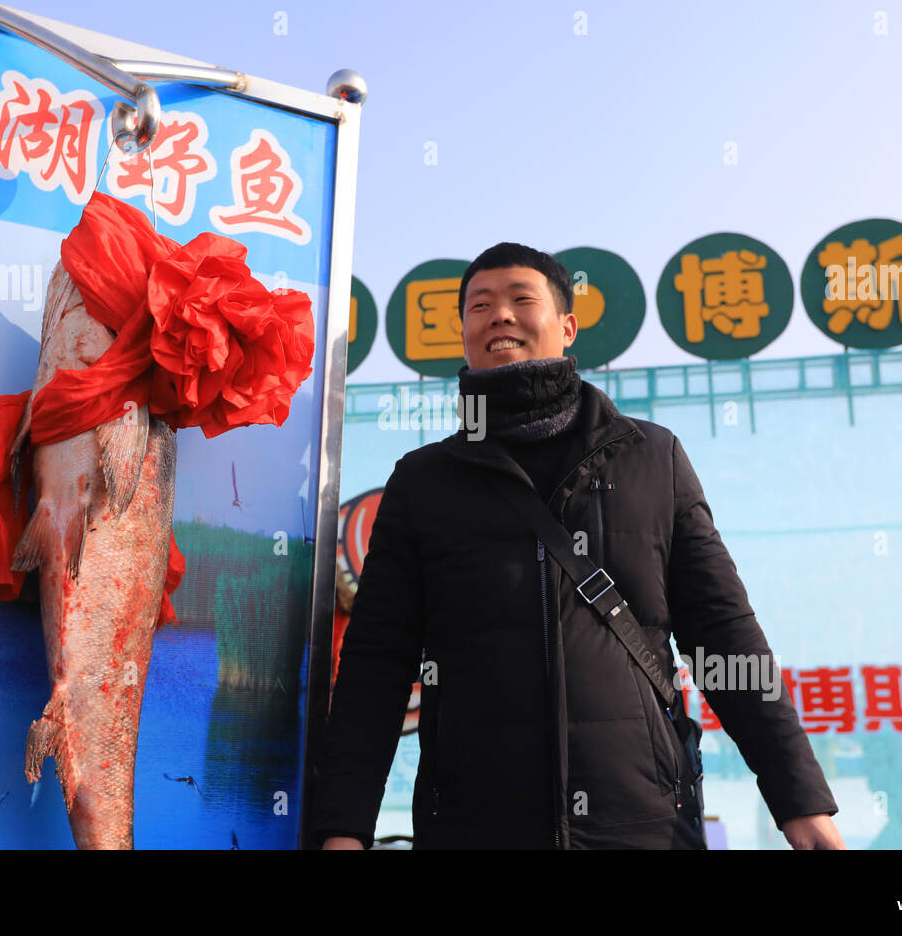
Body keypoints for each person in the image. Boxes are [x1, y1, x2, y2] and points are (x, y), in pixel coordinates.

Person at [309, 243, 844, 849]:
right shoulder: (425, 482)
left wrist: (800, 801)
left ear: (566, 327)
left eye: (520, 299)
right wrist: (344, 828)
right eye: (480, 306)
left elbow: (726, 635)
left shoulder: (652, 458)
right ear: (463, 336)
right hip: (473, 828)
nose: (499, 315)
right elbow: (375, 667)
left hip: (644, 826)